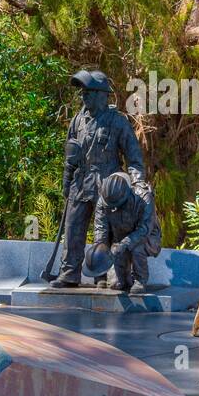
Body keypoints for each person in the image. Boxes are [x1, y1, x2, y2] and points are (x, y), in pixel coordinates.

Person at [53, 69, 145, 287]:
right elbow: (70, 154)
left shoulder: (117, 121)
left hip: (108, 182)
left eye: (89, 91)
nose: (84, 96)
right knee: (73, 228)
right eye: (83, 92)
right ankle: (70, 272)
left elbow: (134, 158)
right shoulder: (78, 121)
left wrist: (137, 183)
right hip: (81, 181)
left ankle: (102, 275)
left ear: (103, 95)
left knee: (105, 232)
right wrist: (66, 181)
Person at [90, 171, 161, 292]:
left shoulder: (144, 198)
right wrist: (101, 248)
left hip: (146, 238)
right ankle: (126, 277)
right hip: (119, 240)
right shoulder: (105, 199)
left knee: (137, 248)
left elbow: (144, 229)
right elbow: (100, 228)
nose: (113, 208)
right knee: (116, 284)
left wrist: (124, 244)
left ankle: (140, 280)